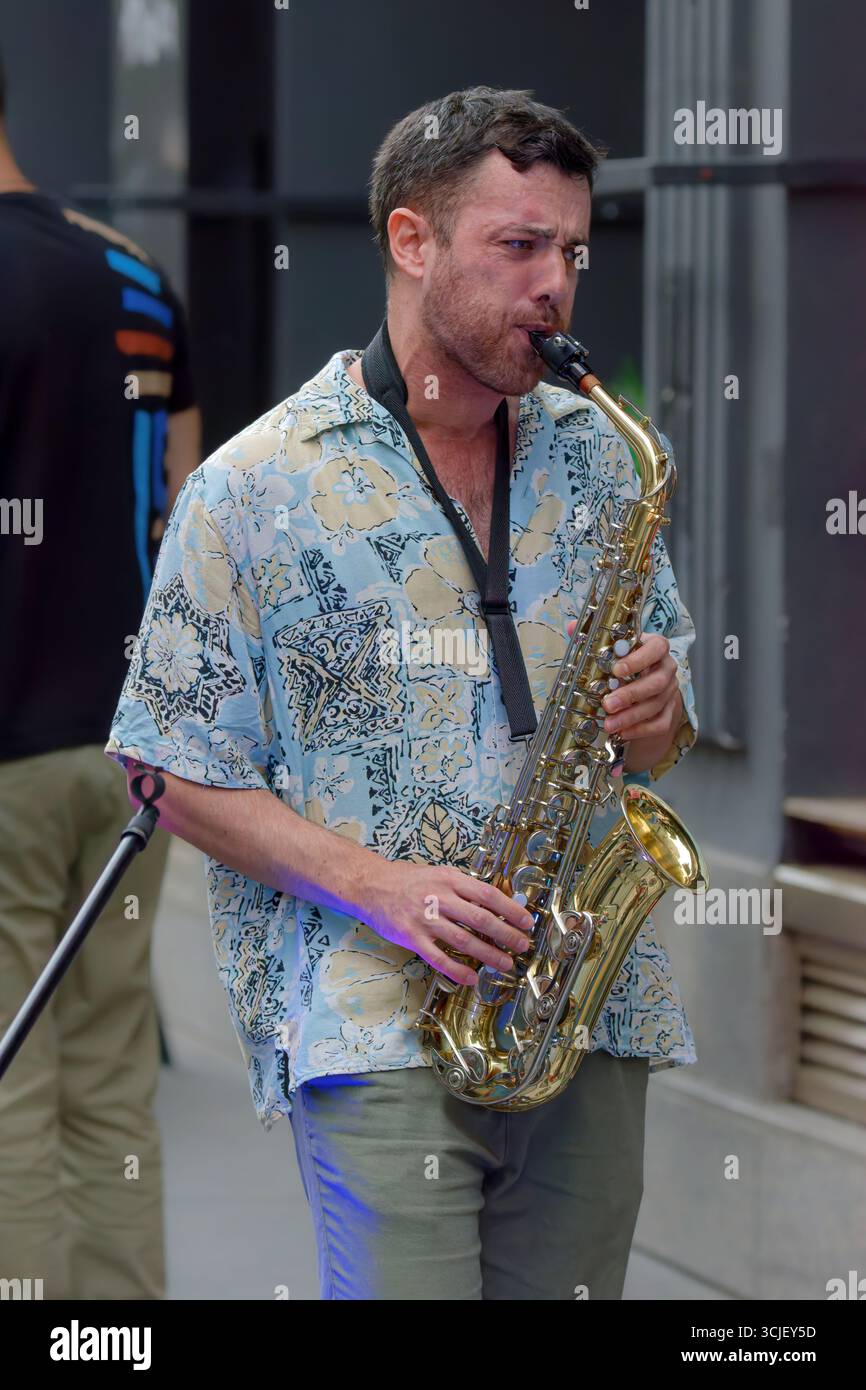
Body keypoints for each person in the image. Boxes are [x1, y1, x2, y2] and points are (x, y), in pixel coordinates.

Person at [107, 85, 699, 1301]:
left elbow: (660, 743)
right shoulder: (252, 487)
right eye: (519, 246)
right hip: (372, 1018)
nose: (556, 286)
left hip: (581, 1006)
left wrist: (662, 714)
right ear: (410, 241)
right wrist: (382, 889)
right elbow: (163, 765)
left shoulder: (605, 454)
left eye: (571, 252)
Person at [0, 44, 200, 1300]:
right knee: (110, 1080)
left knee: (10, 1089)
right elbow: (186, 523)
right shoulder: (136, 278)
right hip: (129, 764)